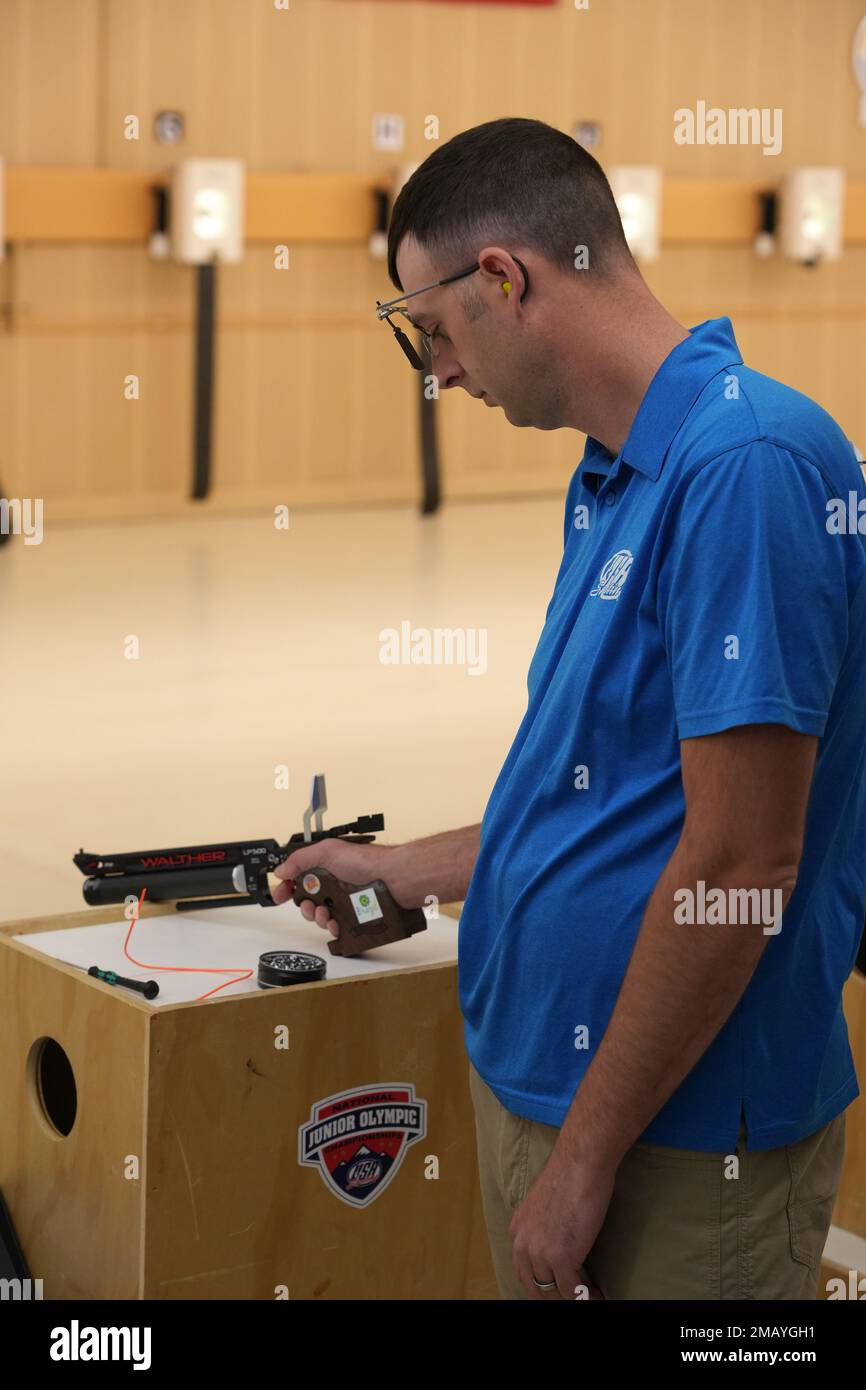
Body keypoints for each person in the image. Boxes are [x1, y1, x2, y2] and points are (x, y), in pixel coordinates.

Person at [274, 117, 866, 1301]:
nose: (438, 372)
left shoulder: (745, 465)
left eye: (432, 333)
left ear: (503, 277)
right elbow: (606, 804)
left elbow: (744, 854)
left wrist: (584, 1158)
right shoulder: (612, 474)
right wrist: (408, 868)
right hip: (573, 1104)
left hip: (680, 1141)